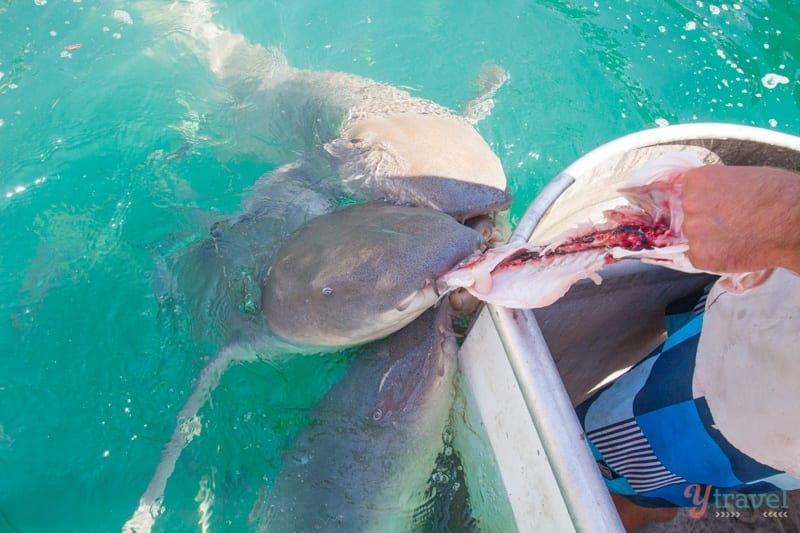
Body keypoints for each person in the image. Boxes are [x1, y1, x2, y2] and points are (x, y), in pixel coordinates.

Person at [575, 164, 800, 531]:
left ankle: (635, 504)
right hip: (757, 317)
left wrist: (788, 220)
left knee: (606, 463)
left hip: (749, 396)